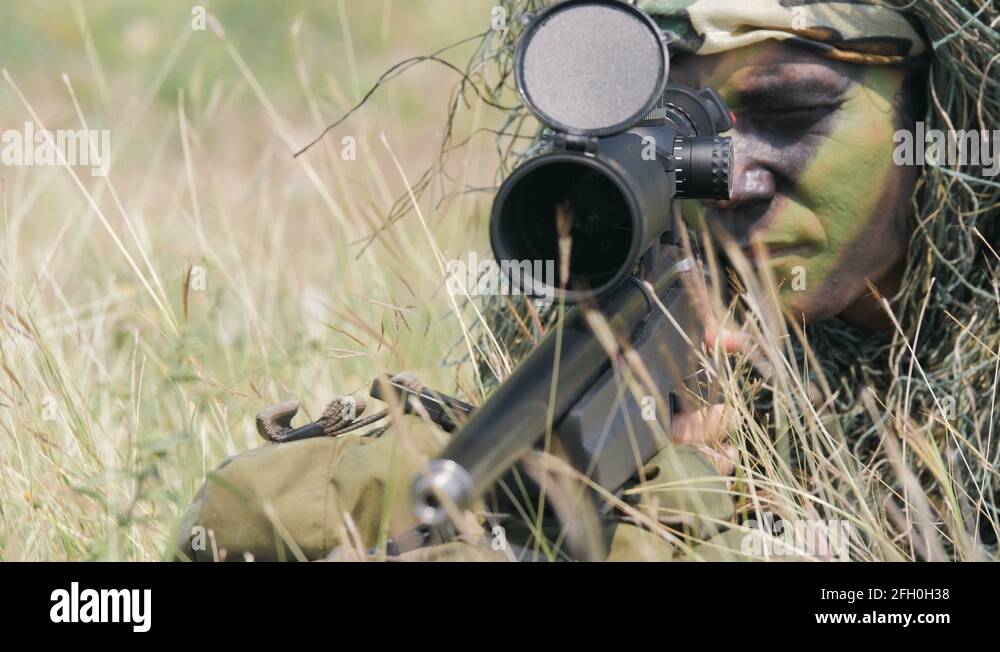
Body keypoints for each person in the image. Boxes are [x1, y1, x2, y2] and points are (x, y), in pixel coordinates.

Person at [173, 0, 999, 561]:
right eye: (660, 131)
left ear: (941, 115)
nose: (730, 180)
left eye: (792, 113)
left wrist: (683, 515)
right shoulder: (641, 319)